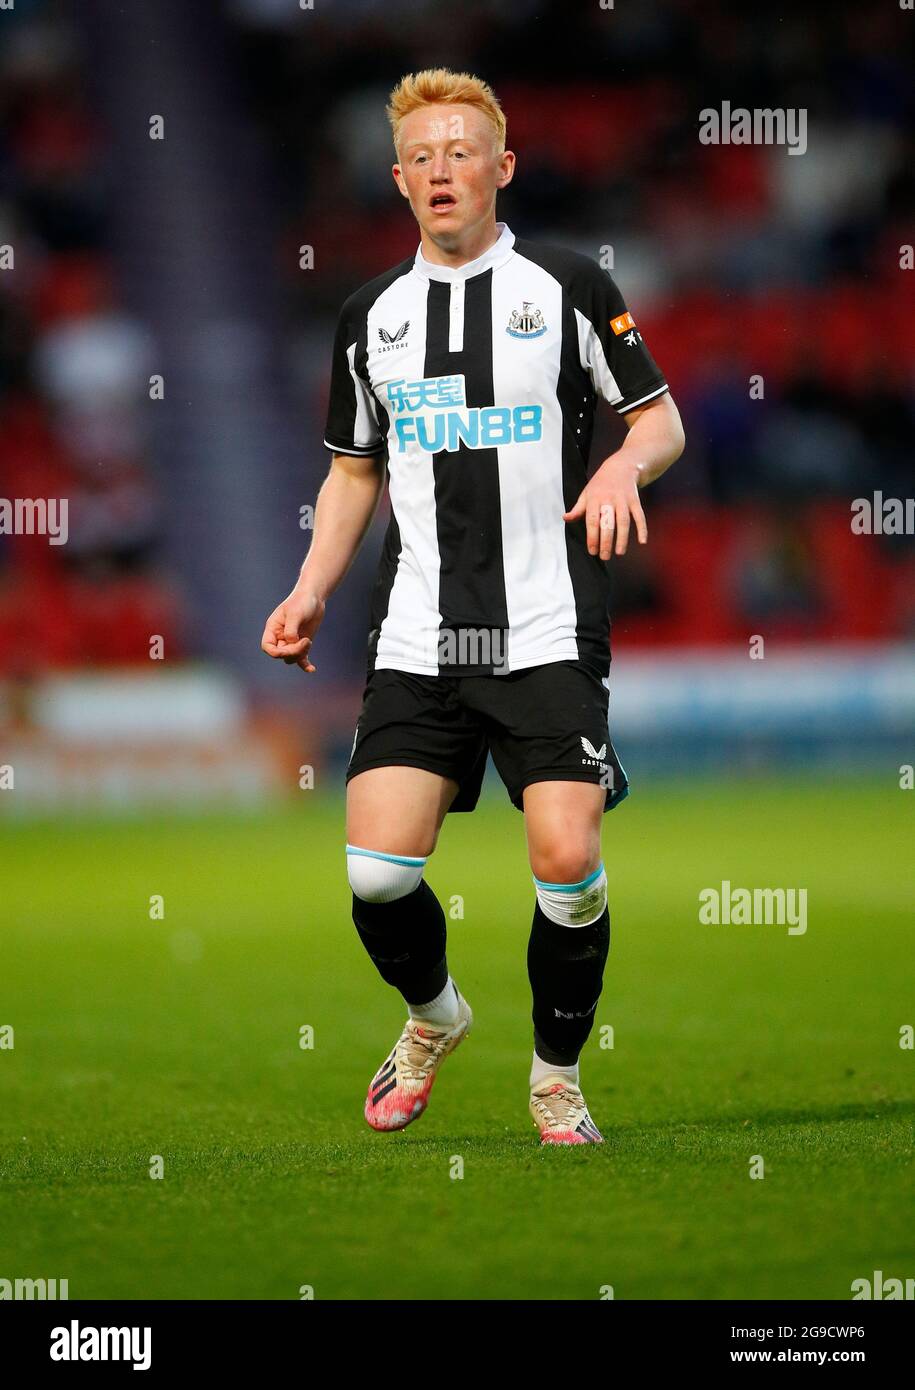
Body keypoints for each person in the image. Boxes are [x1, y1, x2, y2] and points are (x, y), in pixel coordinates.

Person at [262, 68, 685, 1144]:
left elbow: (660, 421)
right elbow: (354, 471)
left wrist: (626, 469)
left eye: (463, 151)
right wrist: (311, 587)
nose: (442, 169)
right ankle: (433, 1018)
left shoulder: (571, 286)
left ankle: (555, 1076)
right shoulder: (371, 319)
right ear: (399, 179)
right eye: (423, 156)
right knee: (374, 871)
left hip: (546, 621)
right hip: (419, 627)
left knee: (565, 860)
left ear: (502, 169)